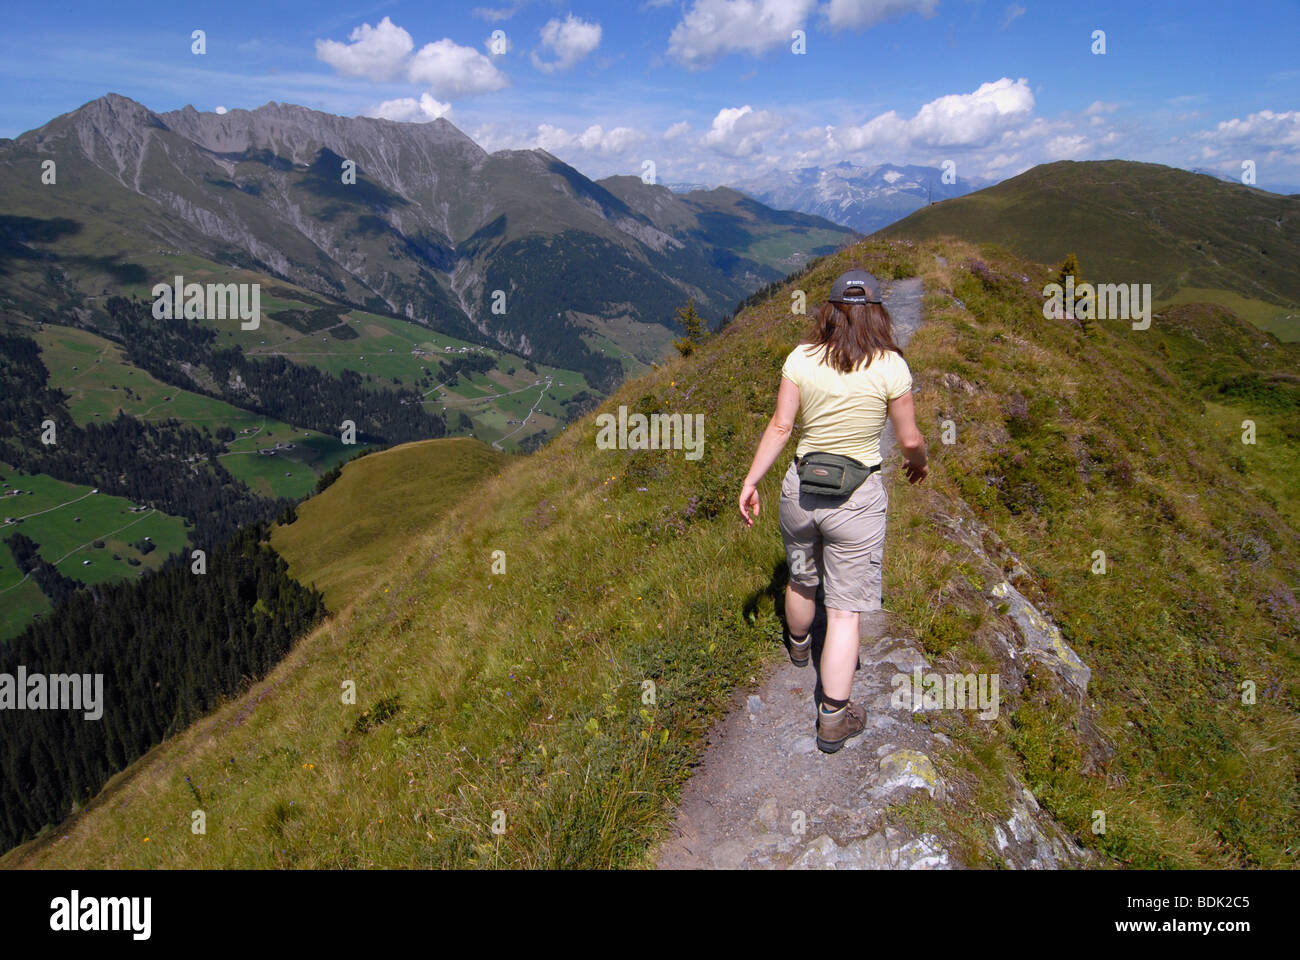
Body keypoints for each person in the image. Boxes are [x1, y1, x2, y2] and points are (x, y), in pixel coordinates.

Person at [739, 269, 928, 753]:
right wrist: (918, 464)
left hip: (800, 490)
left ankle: (799, 648)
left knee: (801, 577)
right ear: (877, 313)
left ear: (828, 310)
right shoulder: (891, 366)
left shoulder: (800, 358)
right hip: (856, 499)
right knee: (843, 613)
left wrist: (751, 480)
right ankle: (833, 719)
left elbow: (782, 428)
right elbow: (908, 439)